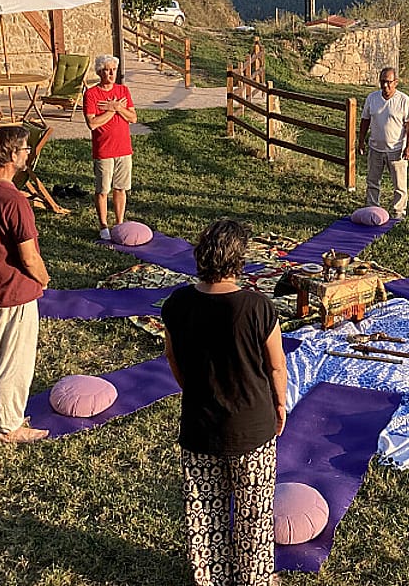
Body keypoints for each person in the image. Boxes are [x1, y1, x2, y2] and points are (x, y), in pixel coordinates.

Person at [162, 218, 288, 586]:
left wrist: (193, 388)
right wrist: (279, 405)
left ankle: (210, 577)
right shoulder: (256, 306)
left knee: (204, 508)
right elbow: (276, 366)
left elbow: (173, 357)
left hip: (200, 422)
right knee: (254, 512)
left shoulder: (178, 303)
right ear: (239, 261)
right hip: (252, 426)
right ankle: (255, 579)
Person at [0, 125, 50, 443]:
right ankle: (10, 427)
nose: (28, 153)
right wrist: (44, 279)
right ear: (9, 154)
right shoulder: (14, 200)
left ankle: (2, 417)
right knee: (14, 364)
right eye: (24, 149)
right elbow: (29, 256)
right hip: (13, 292)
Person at [84, 54, 137, 240]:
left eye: (113, 69)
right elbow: (92, 123)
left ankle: (120, 223)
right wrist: (112, 109)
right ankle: (103, 225)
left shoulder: (123, 91)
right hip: (104, 149)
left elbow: (133, 118)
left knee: (120, 188)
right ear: (99, 72)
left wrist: (117, 107)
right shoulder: (91, 94)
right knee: (102, 190)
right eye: (107, 70)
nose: (111, 73)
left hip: (124, 148)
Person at [357, 66, 409, 219]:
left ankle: (398, 212)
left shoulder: (404, 101)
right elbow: (365, 121)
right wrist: (361, 141)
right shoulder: (372, 98)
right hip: (376, 148)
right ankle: (372, 209)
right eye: (382, 82)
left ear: (395, 82)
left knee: (399, 185)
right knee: (372, 181)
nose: (385, 86)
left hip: (396, 150)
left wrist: (408, 147)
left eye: (389, 82)